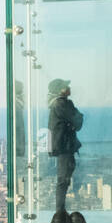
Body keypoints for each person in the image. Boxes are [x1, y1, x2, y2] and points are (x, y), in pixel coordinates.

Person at [47, 78, 83, 213]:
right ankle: (60, 210)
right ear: (60, 90)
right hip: (64, 147)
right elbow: (77, 120)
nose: (69, 88)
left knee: (64, 178)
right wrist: (77, 118)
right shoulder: (61, 104)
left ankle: (60, 209)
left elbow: (75, 121)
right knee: (63, 179)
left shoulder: (58, 104)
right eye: (66, 86)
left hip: (62, 146)